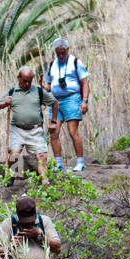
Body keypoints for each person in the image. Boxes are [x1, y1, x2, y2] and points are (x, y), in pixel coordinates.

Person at [0, 66, 49, 182]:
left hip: (35, 130)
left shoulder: (38, 91)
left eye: (30, 80)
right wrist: (4, 103)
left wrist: (53, 121)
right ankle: (15, 180)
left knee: (41, 156)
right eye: (24, 80)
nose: (27, 83)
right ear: (18, 78)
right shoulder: (12, 92)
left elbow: (54, 102)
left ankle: (45, 182)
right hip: (17, 129)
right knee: (15, 155)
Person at [45, 37, 89, 174]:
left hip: (72, 99)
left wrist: (85, 100)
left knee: (72, 131)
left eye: (63, 52)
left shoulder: (75, 62)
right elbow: (48, 84)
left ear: (67, 50)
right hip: (55, 101)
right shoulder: (52, 64)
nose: (61, 55)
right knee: (53, 132)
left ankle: (80, 162)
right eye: (58, 53)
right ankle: (58, 162)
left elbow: (85, 82)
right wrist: (44, 89)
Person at [0, 193, 60, 259]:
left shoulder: (44, 221)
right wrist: (10, 245)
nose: (27, 223)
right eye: (24, 221)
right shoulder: (9, 224)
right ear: (17, 214)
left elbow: (57, 249)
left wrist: (39, 236)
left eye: (30, 220)